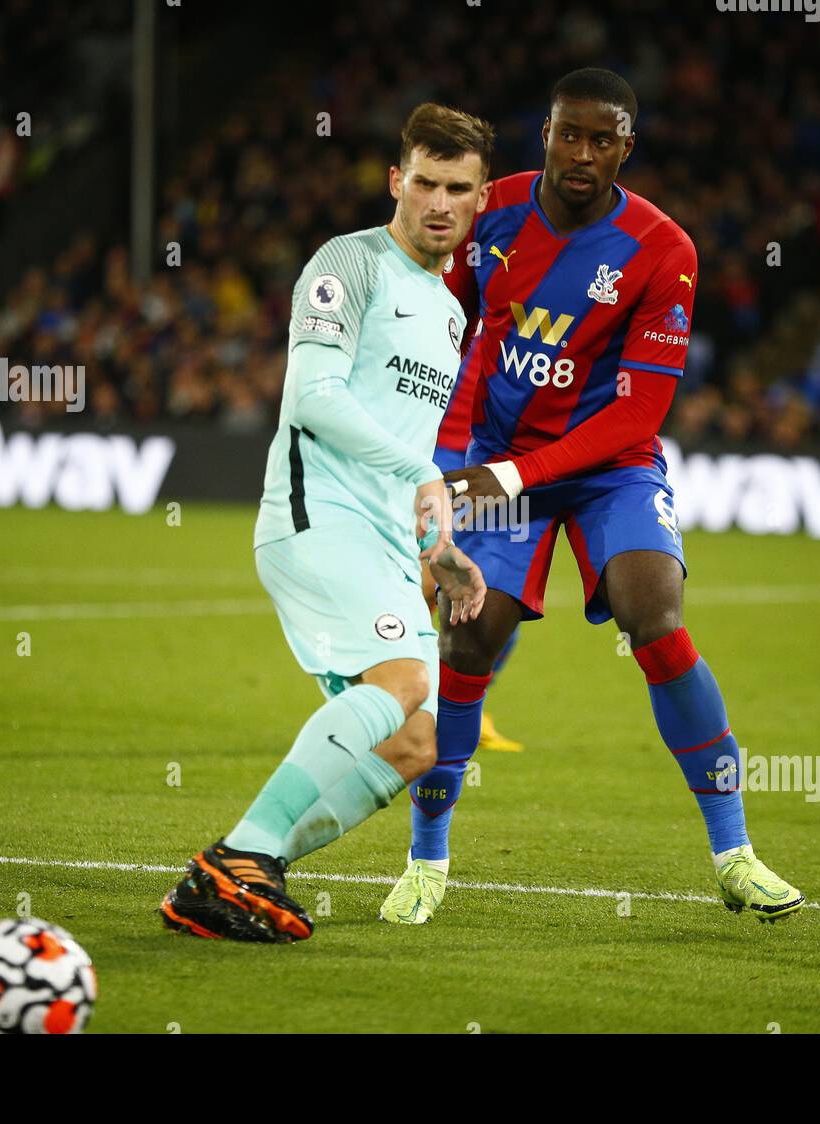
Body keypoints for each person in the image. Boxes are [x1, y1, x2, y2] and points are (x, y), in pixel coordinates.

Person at [379, 69, 804, 926]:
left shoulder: (663, 249)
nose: (582, 154)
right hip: (497, 459)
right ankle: (427, 859)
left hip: (608, 467)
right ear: (545, 131)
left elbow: (637, 414)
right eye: (568, 135)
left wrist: (503, 477)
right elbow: (440, 340)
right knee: (469, 639)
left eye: (601, 139)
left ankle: (735, 853)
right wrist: (443, 472)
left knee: (658, 616)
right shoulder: (483, 212)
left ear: (625, 146)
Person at [160, 103, 493, 942]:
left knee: (420, 742)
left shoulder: (452, 314)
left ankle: (236, 873)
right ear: (397, 182)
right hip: (314, 516)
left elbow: (406, 446)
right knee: (408, 685)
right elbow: (311, 395)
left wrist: (436, 550)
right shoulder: (350, 263)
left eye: (459, 188)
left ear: (481, 199)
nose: (439, 202)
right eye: (425, 182)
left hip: (381, 541)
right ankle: (241, 857)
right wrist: (424, 475)